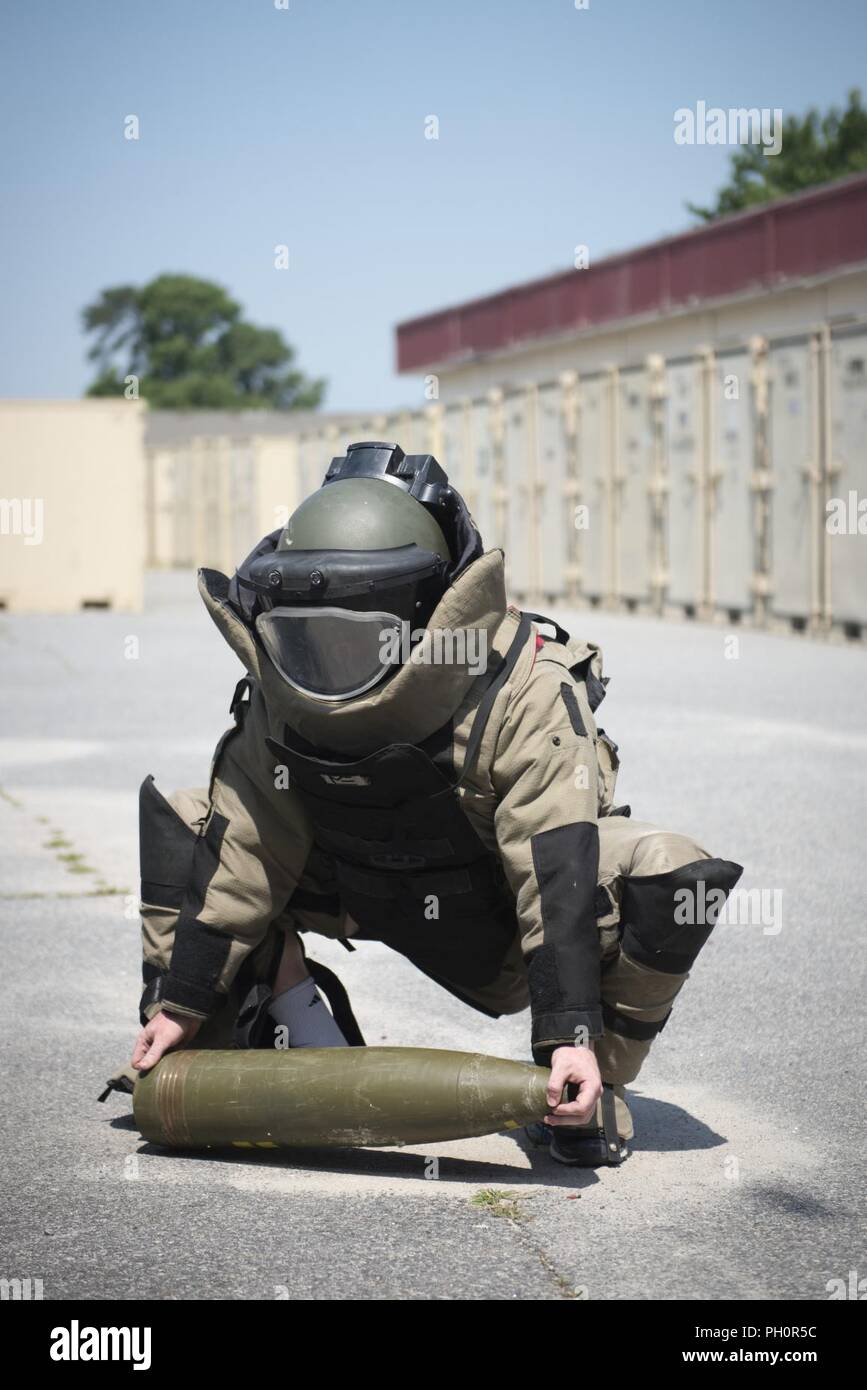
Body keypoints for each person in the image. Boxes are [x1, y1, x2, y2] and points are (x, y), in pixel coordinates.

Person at [114, 440, 741, 1166]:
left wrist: (567, 1033)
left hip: (496, 922)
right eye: (304, 638)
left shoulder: (522, 688)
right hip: (351, 888)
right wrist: (180, 1002)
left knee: (672, 872)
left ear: (421, 617)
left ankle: (581, 1092)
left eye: (354, 642)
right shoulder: (285, 686)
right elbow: (246, 850)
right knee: (192, 821)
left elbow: (553, 868)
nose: (323, 667)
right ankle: (271, 1033)